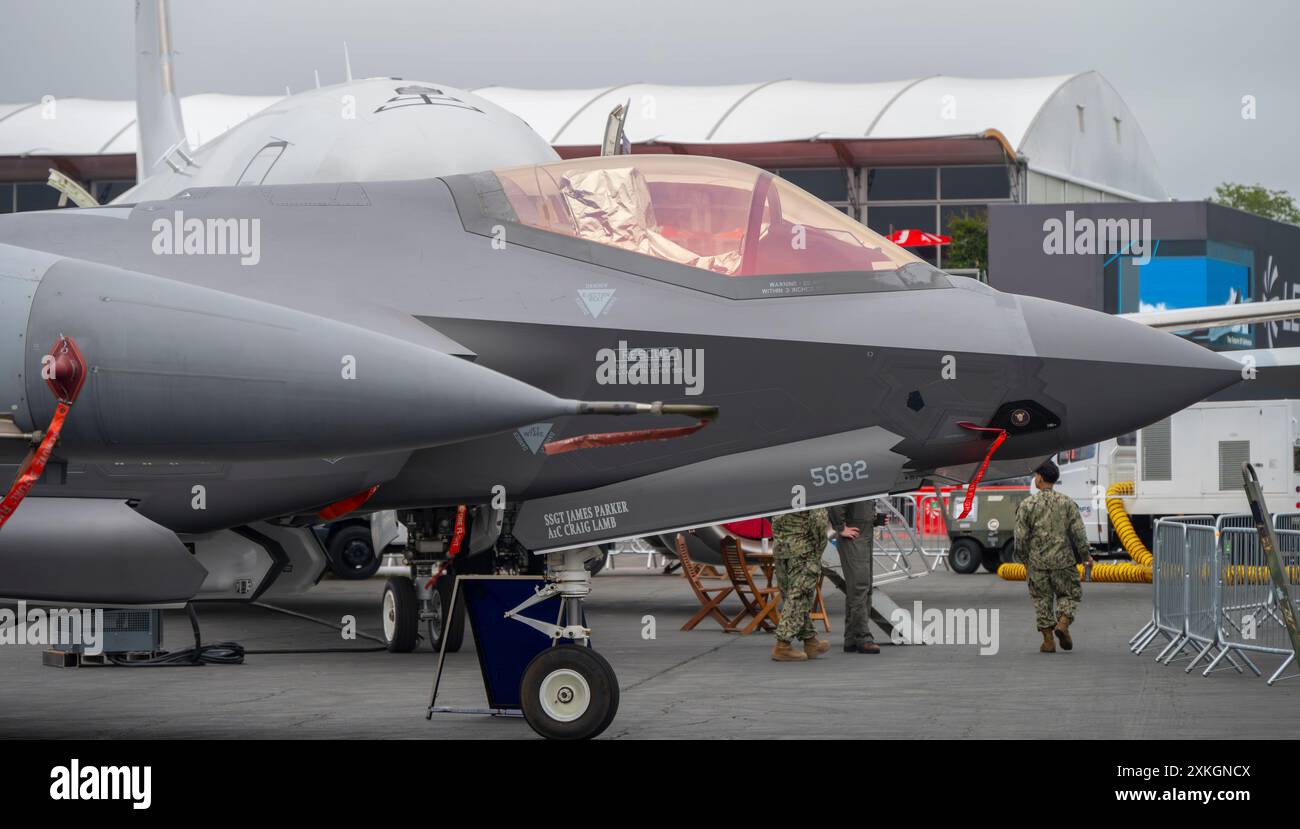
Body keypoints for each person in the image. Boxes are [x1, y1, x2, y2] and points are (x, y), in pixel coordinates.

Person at [1013, 460, 1094, 653]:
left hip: (1037, 563)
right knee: (1070, 594)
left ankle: (1048, 641)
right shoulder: (1067, 503)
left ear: (1040, 478)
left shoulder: (1027, 505)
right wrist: (1085, 556)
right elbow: (1079, 533)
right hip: (1063, 561)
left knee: (1041, 600)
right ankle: (1063, 624)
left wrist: (1025, 560)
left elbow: (1020, 537)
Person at [770, 507, 832, 662]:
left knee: (792, 595)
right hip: (803, 550)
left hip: (782, 548)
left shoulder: (782, 487)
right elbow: (818, 520)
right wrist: (818, 550)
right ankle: (782, 645)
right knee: (799, 596)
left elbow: (773, 519)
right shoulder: (809, 486)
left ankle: (810, 641)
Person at [827, 499, 879, 654]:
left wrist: (874, 519)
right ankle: (863, 637)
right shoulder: (861, 478)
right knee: (860, 587)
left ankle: (851, 638)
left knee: (862, 587)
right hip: (856, 536)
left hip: (863, 533)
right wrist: (840, 528)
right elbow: (836, 504)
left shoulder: (866, 479)